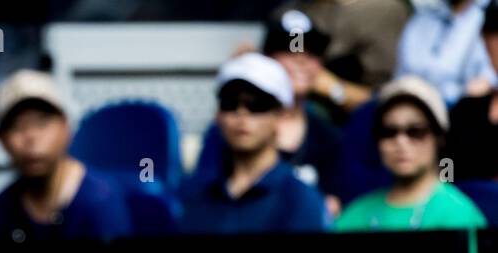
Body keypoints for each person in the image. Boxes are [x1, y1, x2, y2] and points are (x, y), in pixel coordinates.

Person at [0, 69, 131, 243]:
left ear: (65, 128)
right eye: (17, 126)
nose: (31, 137)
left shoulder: (99, 203)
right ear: (1, 139)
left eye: (42, 123)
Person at [196, 10, 345, 213]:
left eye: (311, 53)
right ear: (265, 58)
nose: (300, 60)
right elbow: (203, 196)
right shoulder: (228, 129)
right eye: (289, 51)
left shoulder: (328, 134)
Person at [180, 53, 329, 234]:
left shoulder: (301, 200)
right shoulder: (191, 194)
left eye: (258, 104)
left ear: (281, 116)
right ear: (217, 114)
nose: (242, 114)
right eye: (230, 103)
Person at [336, 76, 487, 230]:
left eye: (415, 131)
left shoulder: (459, 216)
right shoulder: (354, 216)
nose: (401, 142)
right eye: (389, 132)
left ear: (439, 137)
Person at [270, 0, 412, 117]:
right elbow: (297, 42)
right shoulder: (298, 9)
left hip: (349, 120)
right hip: (295, 109)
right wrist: (298, 63)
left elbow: (385, 98)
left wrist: (334, 89)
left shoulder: (383, 10)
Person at [394, 0, 496, 107]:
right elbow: (401, 78)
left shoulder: (490, 15)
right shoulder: (421, 18)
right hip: (415, 107)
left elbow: (486, 82)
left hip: (464, 109)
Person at [446, 2, 498, 180]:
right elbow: (446, 167)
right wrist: (445, 193)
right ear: (485, 42)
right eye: (495, 35)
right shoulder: (464, 111)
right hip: (463, 204)